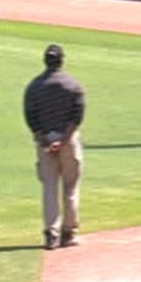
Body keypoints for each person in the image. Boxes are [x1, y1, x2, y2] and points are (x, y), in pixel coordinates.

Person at [22, 44, 85, 251]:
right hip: (68, 140)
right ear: (61, 61)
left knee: (49, 187)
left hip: (45, 141)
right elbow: (77, 116)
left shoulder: (34, 87)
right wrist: (63, 140)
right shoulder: (73, 86)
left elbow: (30, 116)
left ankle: (51, 233)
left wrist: (43, 139)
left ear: (45, 61)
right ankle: (69, 232)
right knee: (71, 186)